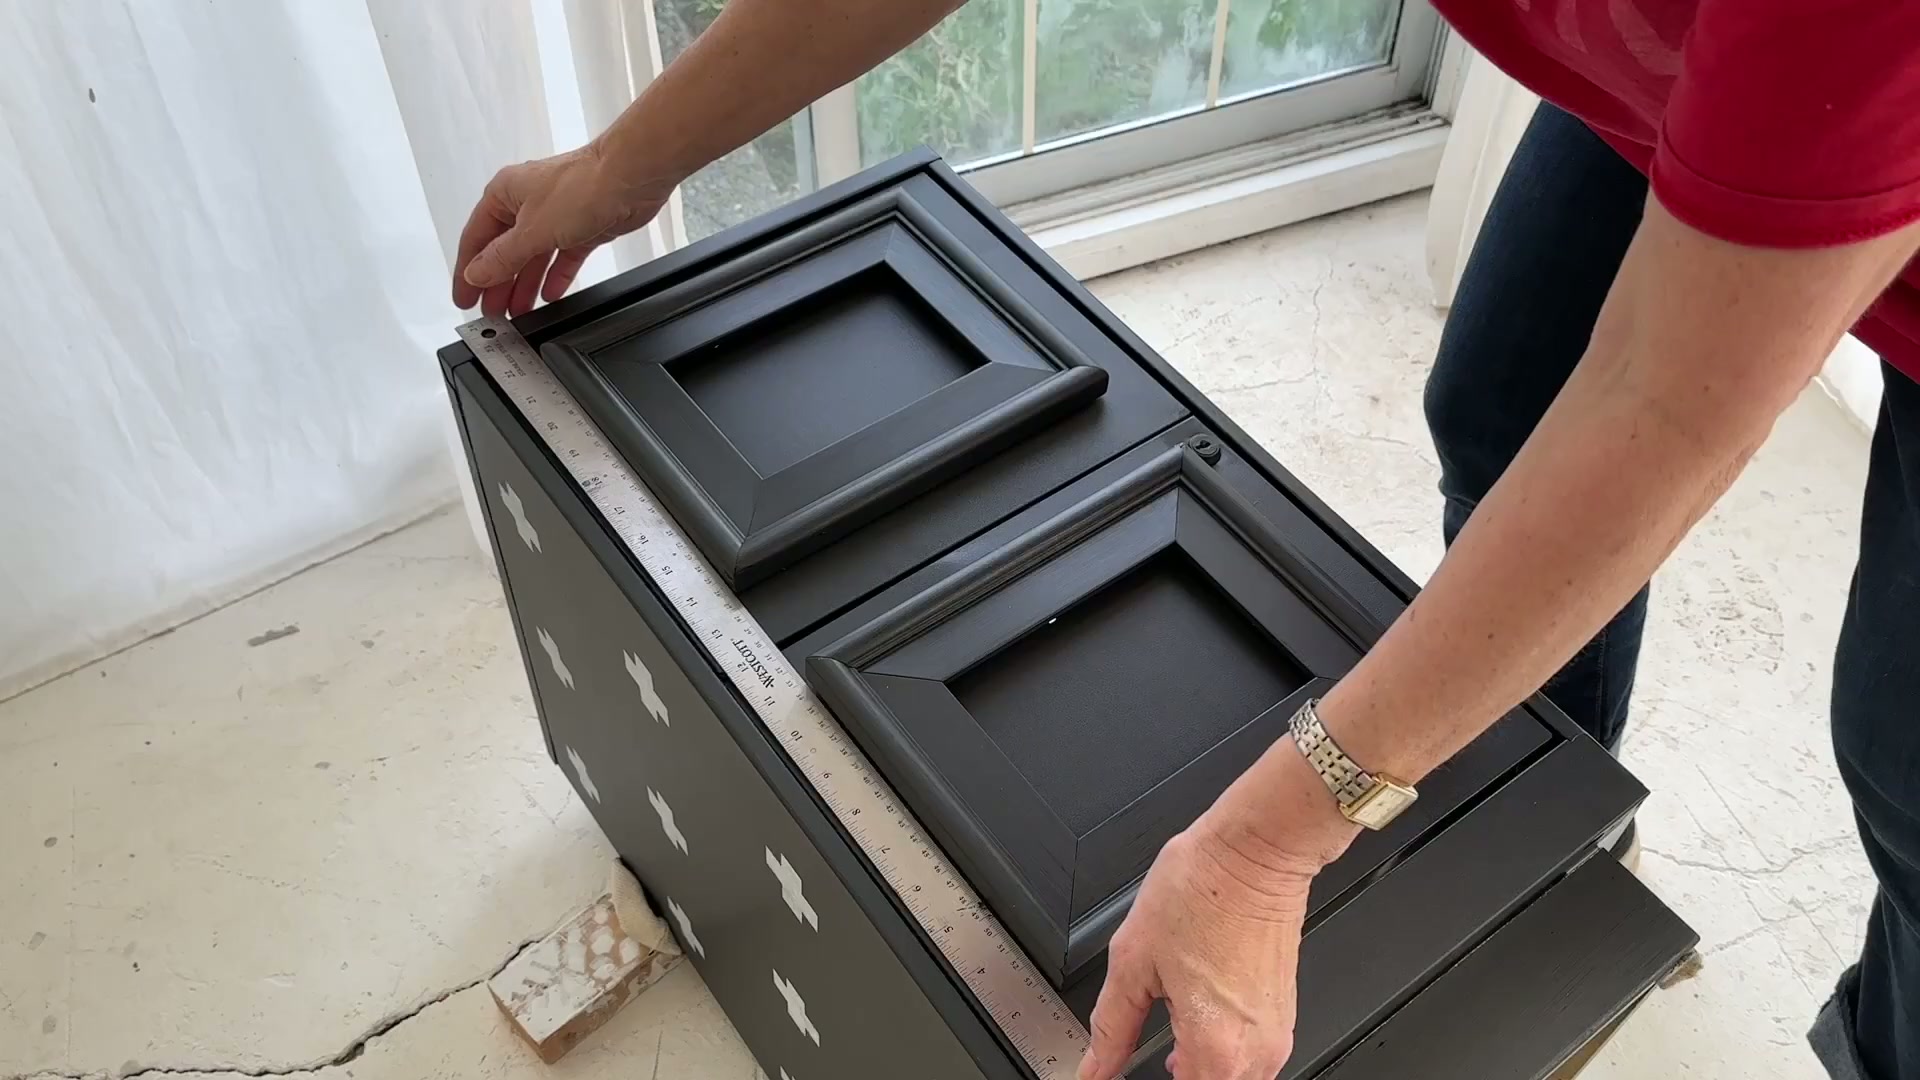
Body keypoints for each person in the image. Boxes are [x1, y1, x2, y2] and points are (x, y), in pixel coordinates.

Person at [454, 2, 1920, 1076]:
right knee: (1504, 400)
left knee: (1907, 752)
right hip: (1692, 81)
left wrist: (1267, 845)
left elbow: (1665, 408)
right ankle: (1529, 810)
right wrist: (624, 164)